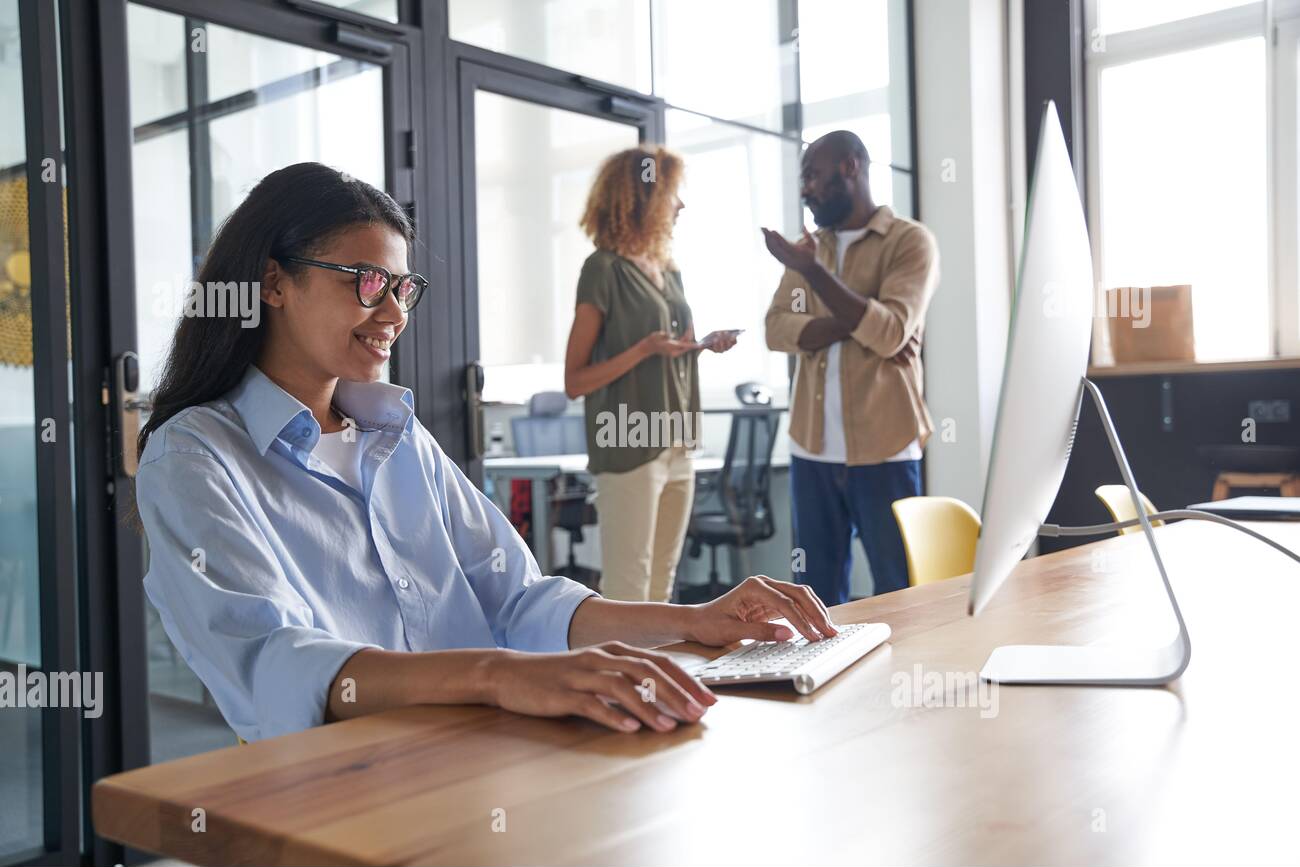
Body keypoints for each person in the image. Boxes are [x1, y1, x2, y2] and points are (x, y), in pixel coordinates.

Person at [135, 162, 832, 743]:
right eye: (367, 282)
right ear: (274, 282)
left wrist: (695, 620)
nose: (395, 314)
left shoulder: (397, 436)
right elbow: (273, 662)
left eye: (403, 288)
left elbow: (519, 599)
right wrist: (500, 675)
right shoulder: (195, 459)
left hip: (486, 751)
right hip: (347, 786)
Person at [761, 131, 939, 603]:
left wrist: (818, 277)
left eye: (813, 176)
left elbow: (890, 332)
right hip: (812, 449)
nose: (805, 190)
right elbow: (776, 330)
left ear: (850, 168)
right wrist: (859, 317)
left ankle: (903, 678)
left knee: (899, 591)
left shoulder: (909, 241)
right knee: (815, 597)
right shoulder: (808, 247)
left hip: (886, 447)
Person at [564, 146, 738, 602]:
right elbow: (575, 380)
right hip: (627, 441)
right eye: (672, 195)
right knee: (628, 584)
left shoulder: (669, 271)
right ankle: (617, 675)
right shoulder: (601, 270)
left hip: (677, 438)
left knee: (662, 583)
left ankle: (656, 674)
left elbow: (678, 347)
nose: (680, 205)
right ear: (640, 199)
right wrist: (643, 350)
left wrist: (703, 345)